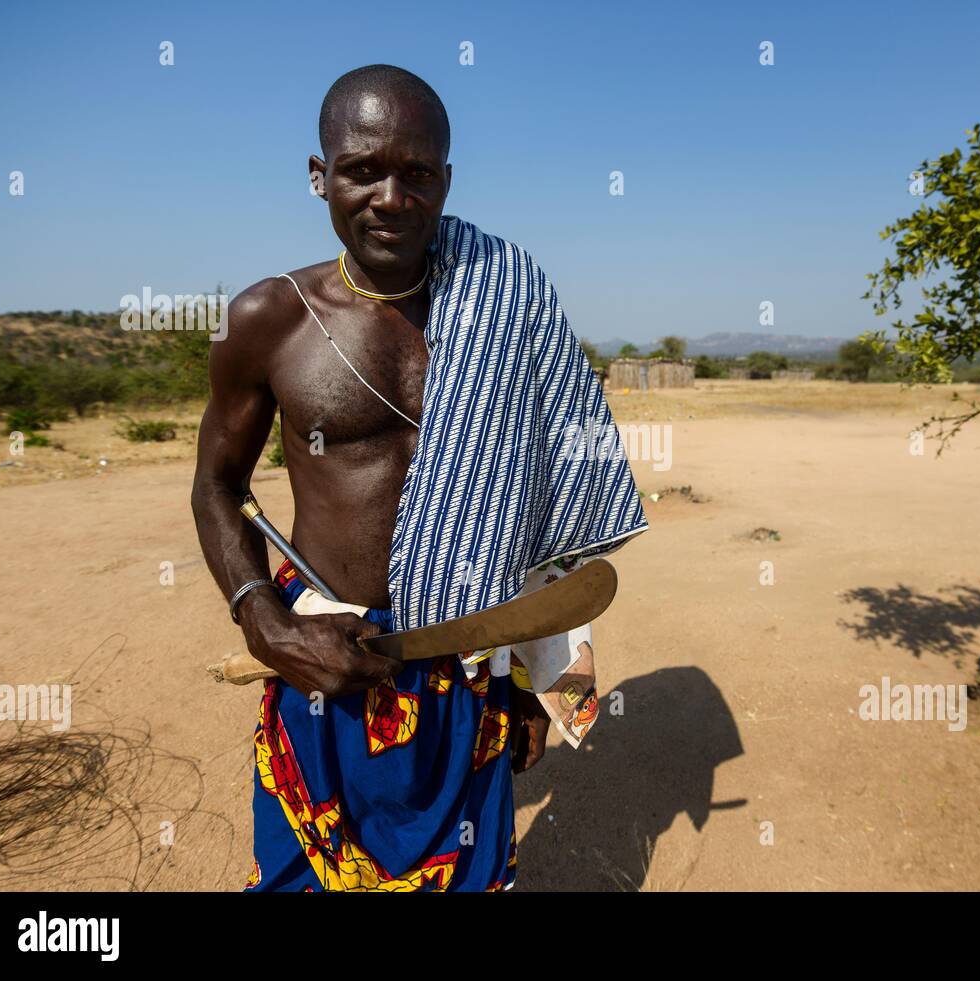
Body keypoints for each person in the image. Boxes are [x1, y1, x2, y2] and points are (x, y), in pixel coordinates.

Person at [191, 65, 646, 892]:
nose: (391, 196)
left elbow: (546, 506)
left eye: (417, 172)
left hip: (466, 664)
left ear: (447, 180)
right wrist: (266, 623)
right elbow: (218, 486)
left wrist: (526, 678)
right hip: (325, 663)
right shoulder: (269, 320)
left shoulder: (505, 303)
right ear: (319, 174)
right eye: (363, 168)